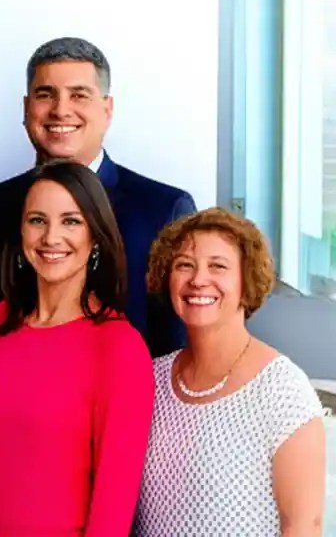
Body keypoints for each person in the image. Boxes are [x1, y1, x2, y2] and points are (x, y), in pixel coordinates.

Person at [0, 36, 195, 356]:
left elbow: (176, 352)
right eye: (45, 94)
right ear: (26, 109)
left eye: (79, 95)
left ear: (107, 109)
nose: (61, 110)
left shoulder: (163, 210)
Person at [0, 159, 154, 537]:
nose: (51, 237)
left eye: (71, 221)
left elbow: (113, 504)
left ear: (96, 236)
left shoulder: (119, 346)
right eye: (38, 220)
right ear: (21, 233)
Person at [134, 208, 326, 536]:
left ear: (246, 280)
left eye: (218, 266)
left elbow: (303, 526)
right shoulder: (149, 380)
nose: (198, 279)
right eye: (184, 265)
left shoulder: (282, 390)